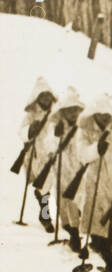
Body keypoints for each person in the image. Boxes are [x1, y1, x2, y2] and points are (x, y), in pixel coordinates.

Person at [70, 94, 112, 272]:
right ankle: (111, 266)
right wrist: (97, 148)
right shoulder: (85, 131)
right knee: (100, 228)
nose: (104, 119)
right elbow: (82, 154)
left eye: (107, 115)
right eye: (100, 115)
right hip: (96, 185)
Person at [44, 88, 84, 250]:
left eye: (75, 110)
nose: (73, 114)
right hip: (61, 169)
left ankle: (75, 233)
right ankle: (69, 227)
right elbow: (49, 146)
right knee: (62, 201)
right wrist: (57, 137)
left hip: (78, 170)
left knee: (75, 201)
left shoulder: (82, 128)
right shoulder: (56, 128)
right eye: (69, 111)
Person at [16, 77, 57, 229]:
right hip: (36, 155)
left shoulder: (56, 113)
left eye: (48, 96)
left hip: (53, 154)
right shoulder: (31, 114)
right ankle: (45, 216)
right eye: (43, 96)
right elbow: (21, 131)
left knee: (49, 185)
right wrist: (30, 129)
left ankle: (45, 212)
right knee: (44, 187)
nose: (46, 99)